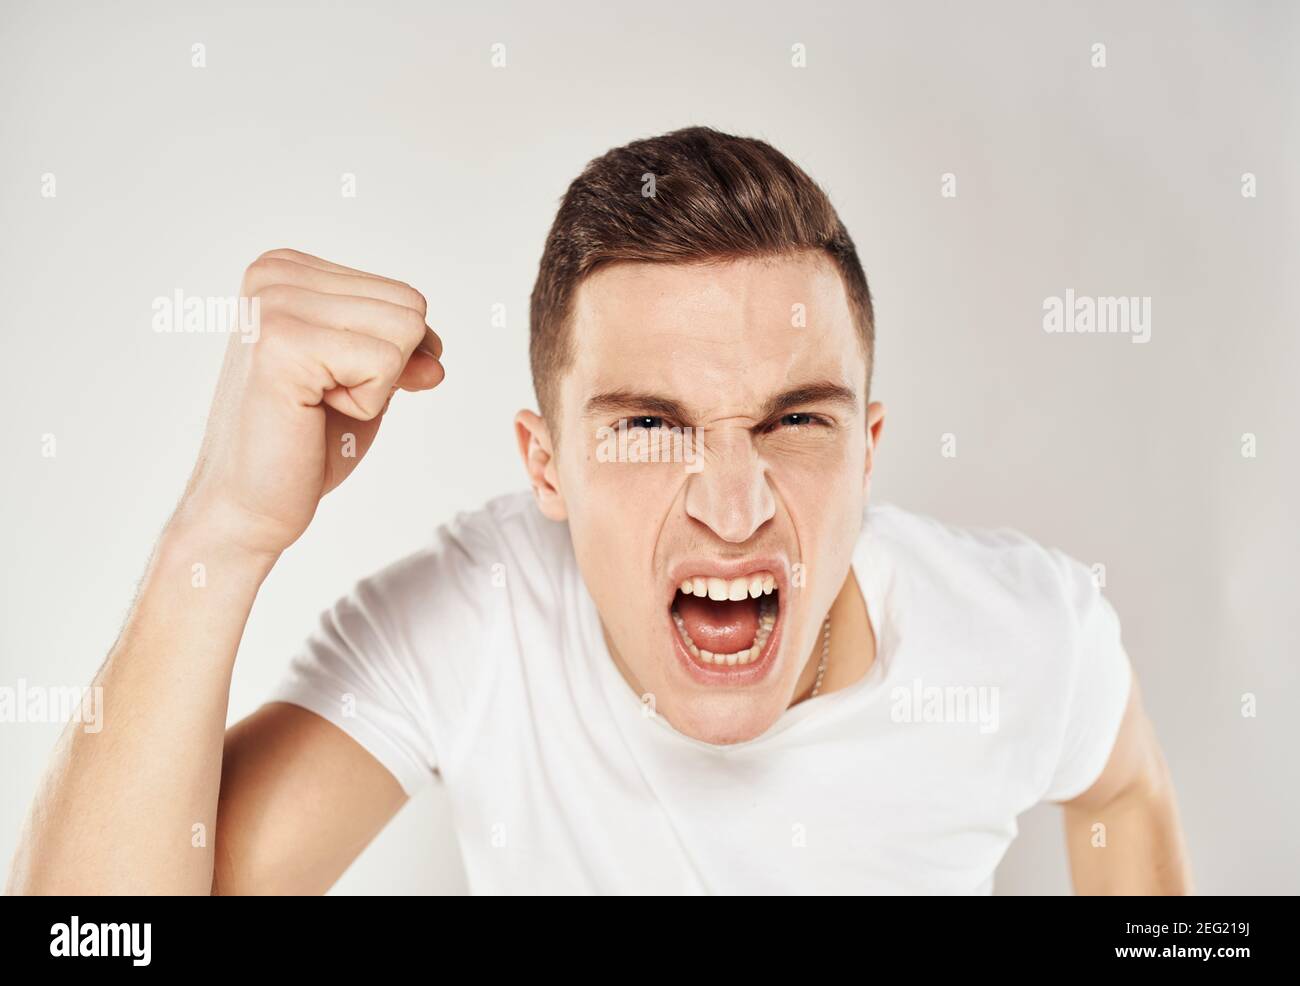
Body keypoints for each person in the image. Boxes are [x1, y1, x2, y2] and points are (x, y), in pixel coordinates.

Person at [7, 127, 1192, 894]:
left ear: (867, 449)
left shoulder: (1019, 627)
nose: (732, 510)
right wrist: (221, 528)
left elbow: (1121, 788)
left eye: (794, 421)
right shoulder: (480, 617)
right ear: (547, 465)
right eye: (647, 425)